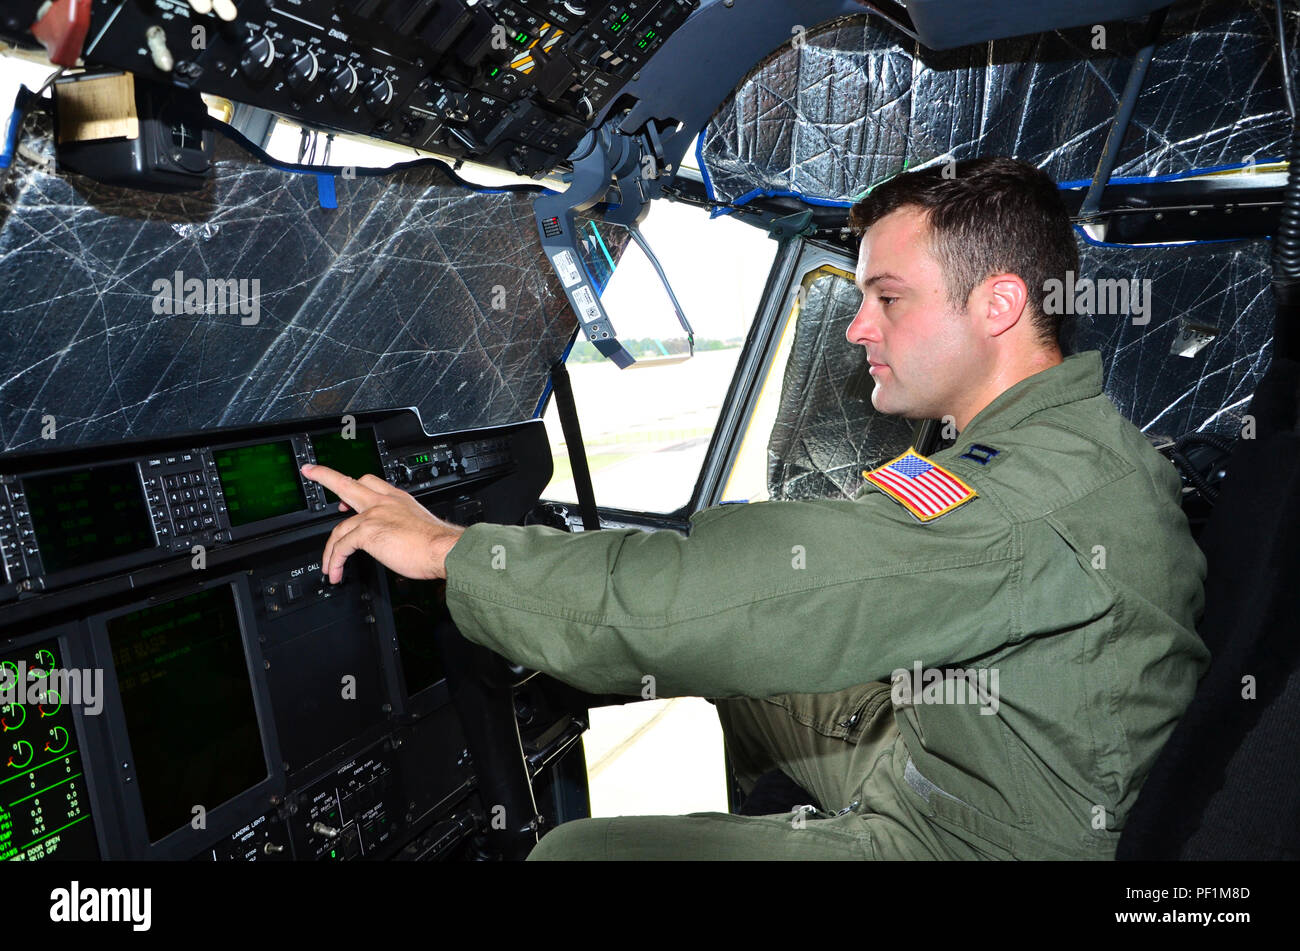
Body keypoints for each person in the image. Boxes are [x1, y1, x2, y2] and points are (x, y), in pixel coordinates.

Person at [301, 156, 1210, 860]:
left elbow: (763, 592)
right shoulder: (1064, 438)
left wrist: (458, 552)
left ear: (1000, 304)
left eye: (886, 299)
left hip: (971, 837)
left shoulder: (1017, 497)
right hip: (966, 752)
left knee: (575, 853)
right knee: (750, 673)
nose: (858, 328)